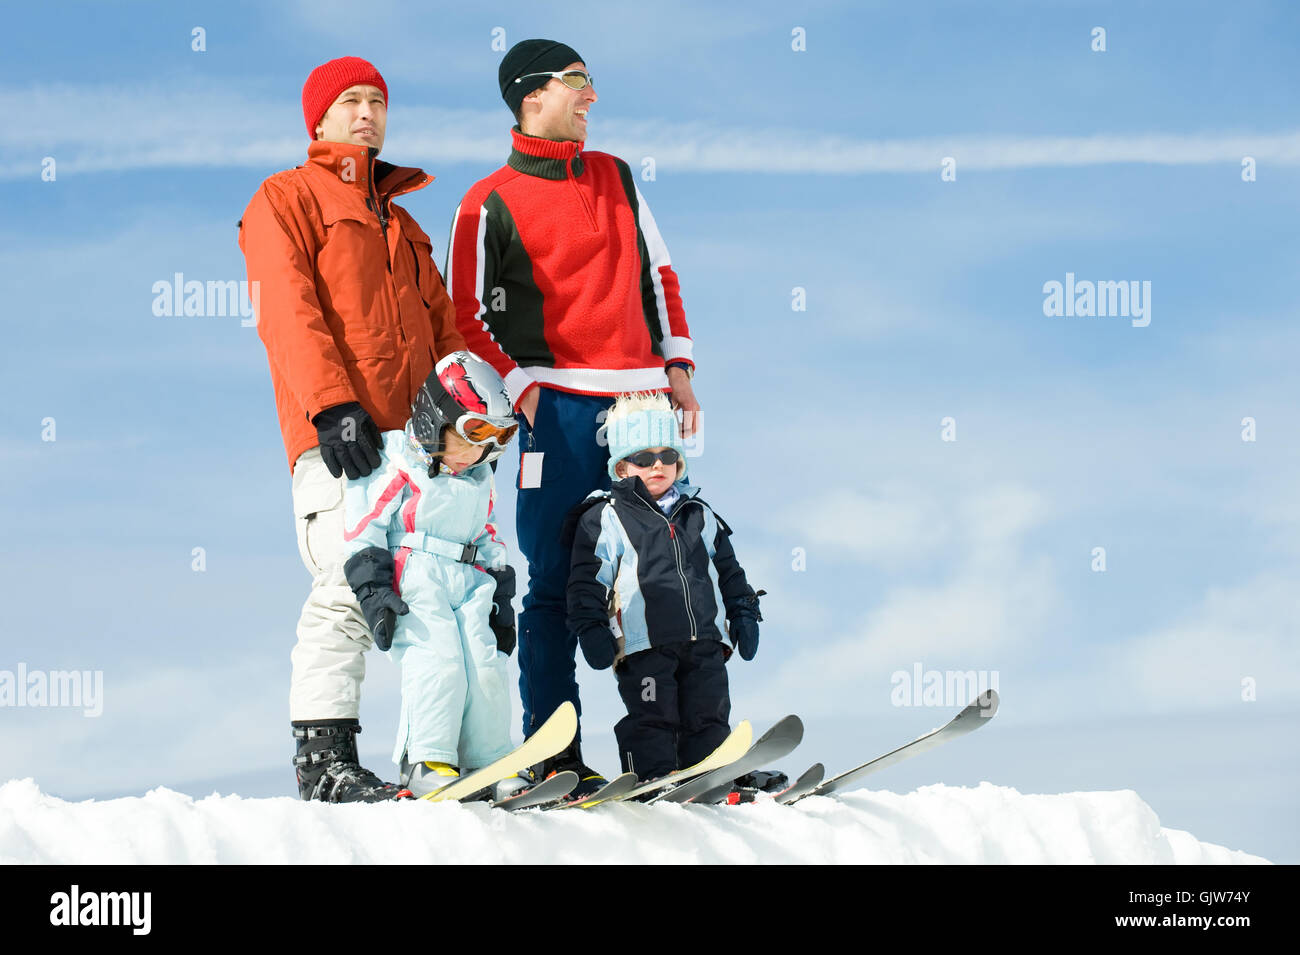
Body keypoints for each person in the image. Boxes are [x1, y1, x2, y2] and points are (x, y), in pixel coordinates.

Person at [446, 39, 699, 796]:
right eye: (577, 83)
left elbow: (661, 272)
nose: (591, 96)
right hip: (555, 411)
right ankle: (554, 754)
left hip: (642, 405)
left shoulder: (618, 176)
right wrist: (524, 387)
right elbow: (465, 308)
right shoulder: (484, 200)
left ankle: (669, 749)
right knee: (556, 583)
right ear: (532, 96)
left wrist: (677, 364)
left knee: (658, 579)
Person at [239, 56, 467, 802]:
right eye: (350, 101)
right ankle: (324, 758)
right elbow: (288, 310)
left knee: (437, 593)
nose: (367, 113)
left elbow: (446, 332)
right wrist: (332, 406)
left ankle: (444, 753)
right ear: (319, 119)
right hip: (343, 441)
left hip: (419, 450)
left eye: (377, 100)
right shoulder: (286, 198)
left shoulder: (403, 222)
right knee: (344, 587)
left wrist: (464, 418)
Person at [341, 352, 525, 799]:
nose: (481, 450)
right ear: (436, 418)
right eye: (473, 433)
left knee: (486, 669)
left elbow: (487, 530)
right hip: (417, 573)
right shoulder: (398, 459)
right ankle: (428, 759)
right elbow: (365, 525)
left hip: (471, 576)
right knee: (438, 662)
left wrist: (500, 588)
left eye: (495, 439)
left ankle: (490, 761)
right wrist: (373, 589)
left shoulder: (479, 476)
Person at [564, 393, 762, 783]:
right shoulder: (607, 516)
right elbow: (588, 579)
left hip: (705, 641)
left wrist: (743, 610)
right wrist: (590, 627)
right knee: (655, 715)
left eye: (668, 455)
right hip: (644, 646)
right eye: (644, 457)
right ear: (621, 466)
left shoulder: (699, 513)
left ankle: (708, 776)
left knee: (708, 711)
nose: (658, 465)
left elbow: (729, 572)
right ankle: (653, 775)